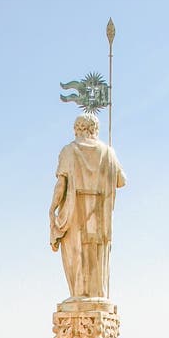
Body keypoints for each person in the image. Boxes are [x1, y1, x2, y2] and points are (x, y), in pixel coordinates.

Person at [49, 112, 126, 299]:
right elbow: (122, 180)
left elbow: (61, 185)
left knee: (76, 255)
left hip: (75, 213)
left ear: (78, 129)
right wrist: (107, 158)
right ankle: (97, 294)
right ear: (95, 130)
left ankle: (79, 295)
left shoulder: (69, 150)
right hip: (100, 216)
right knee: (97, 256)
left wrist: (52, 208)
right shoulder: (108, 152)